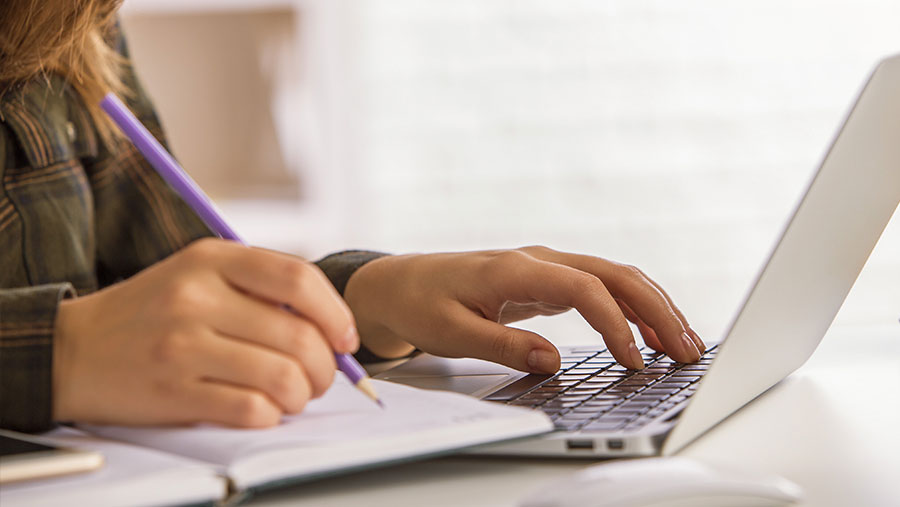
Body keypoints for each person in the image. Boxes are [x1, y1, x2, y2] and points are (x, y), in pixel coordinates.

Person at [0, 0, 704, 434]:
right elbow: (108, 338)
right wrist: (59, 354)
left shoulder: (66, 24)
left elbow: (169, 298)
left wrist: (369, 299)